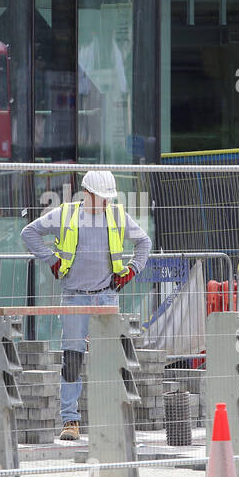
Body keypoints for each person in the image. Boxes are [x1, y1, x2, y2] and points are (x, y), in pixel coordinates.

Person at [21, 170, 152, 441]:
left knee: (112, 358)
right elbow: (29, 232)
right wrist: (52, 261)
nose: (104, 202)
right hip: (74, 297)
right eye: (100, 197)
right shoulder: (66, 214)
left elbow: (144, 242)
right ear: (87, 193)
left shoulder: (116, 215)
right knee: (72, 358)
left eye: (107, 198)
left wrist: (132, 270)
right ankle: (70, 421)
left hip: (106, 296)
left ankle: (115, 417)